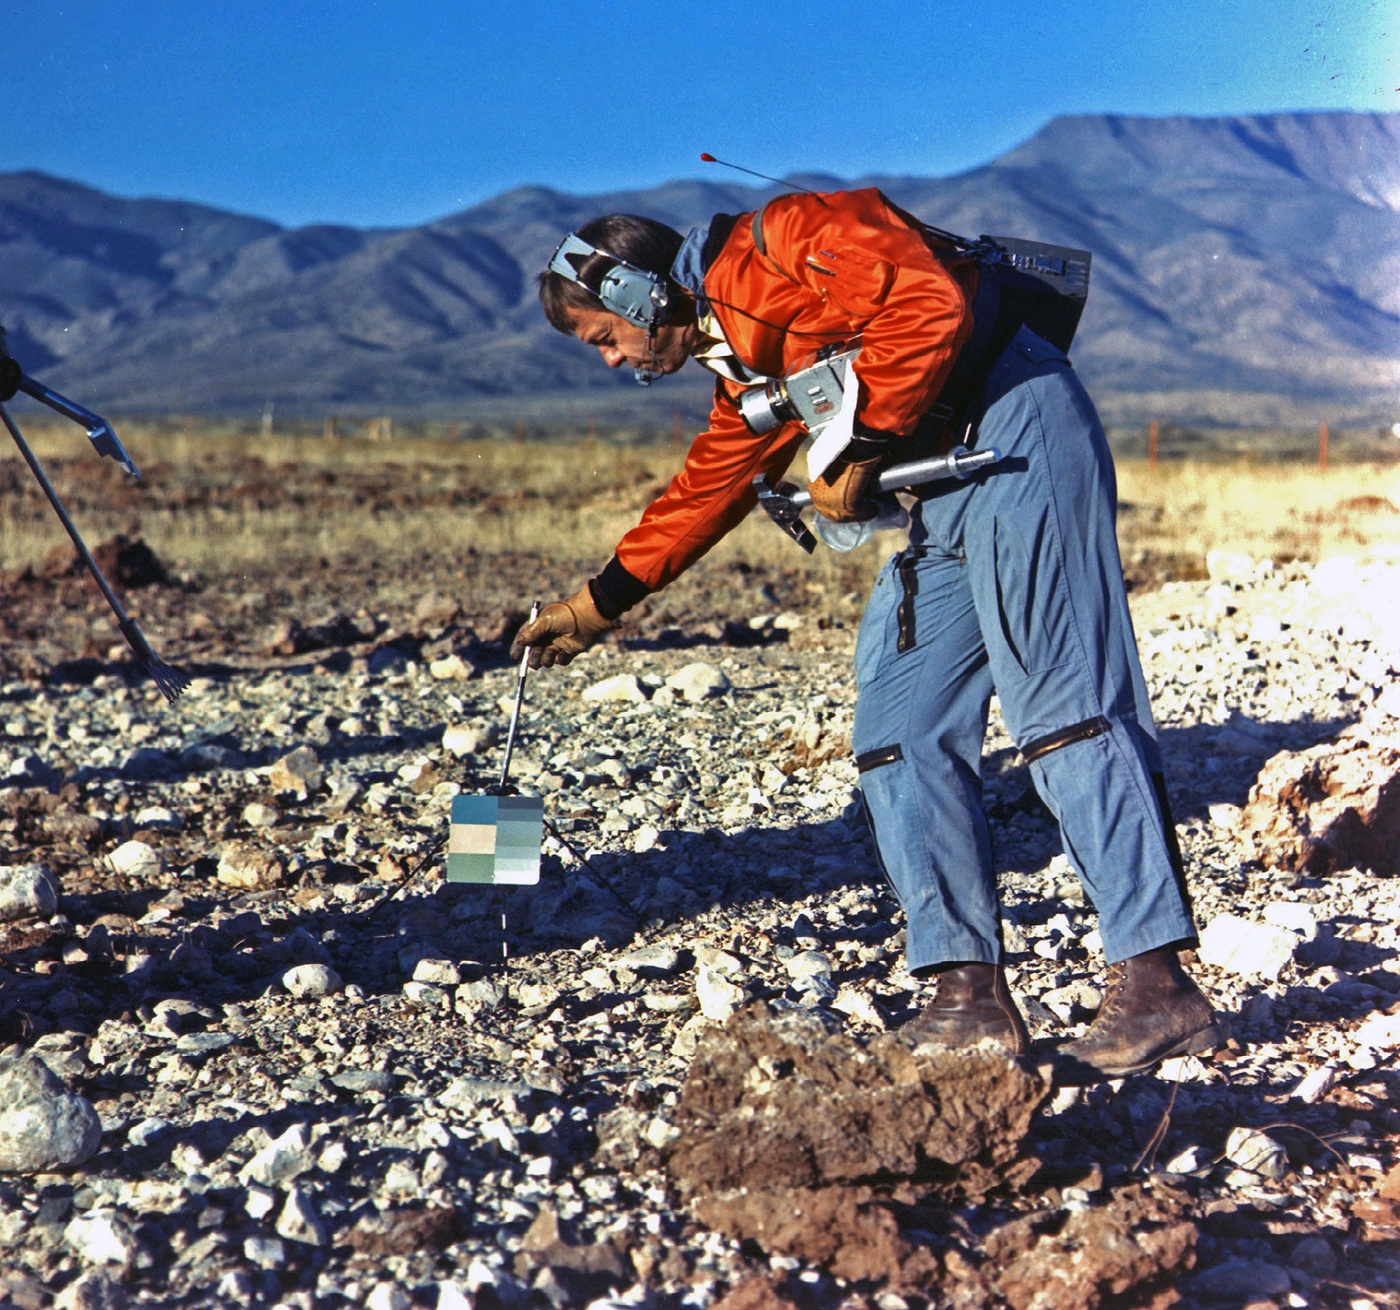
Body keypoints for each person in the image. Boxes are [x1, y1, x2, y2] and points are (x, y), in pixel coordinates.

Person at [512, 188, 1223, 1077]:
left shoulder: (791, 238)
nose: (612, 361)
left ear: (638, 297)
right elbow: (707, 489)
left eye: (603, 339)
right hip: (943, 484)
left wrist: (860, 442)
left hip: (1017, 430)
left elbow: (932, 301)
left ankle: (1158, 986)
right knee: (900, 728)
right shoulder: (739, 365)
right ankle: (967, 998)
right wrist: (596, 605)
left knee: (1064, 703)